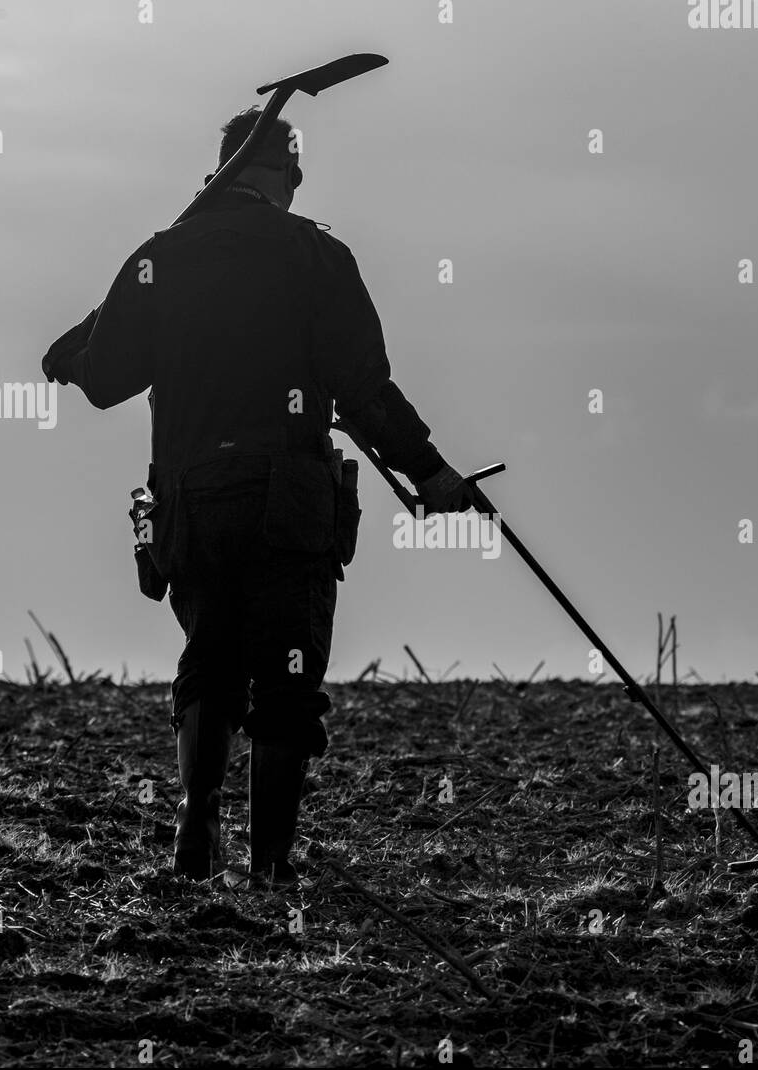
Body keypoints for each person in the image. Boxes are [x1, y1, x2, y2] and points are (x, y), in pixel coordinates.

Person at [43, 107, 470, 887]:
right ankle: (272, 867)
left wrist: (71, 354)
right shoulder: (315, 254)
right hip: (287, 502)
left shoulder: (159, 259)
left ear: (220, 171)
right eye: (297, 177)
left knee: (209, 658)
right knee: (286, 677)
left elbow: (102, 378)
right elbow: (365, 390)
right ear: (282, 173)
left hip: (191, 501)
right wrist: (430, 471)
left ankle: (193, 831)